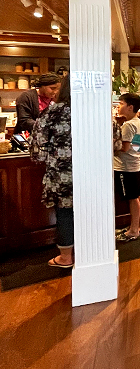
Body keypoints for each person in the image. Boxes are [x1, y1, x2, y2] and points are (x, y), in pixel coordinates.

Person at [29, 73, 73, 267]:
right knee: (91, 212)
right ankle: (91, 255)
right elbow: (114, 142)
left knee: (64, 213)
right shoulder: (96, 110)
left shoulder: (51, 113)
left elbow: (37, 151)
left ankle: (65, 257)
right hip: (93, 174)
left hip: (61, 175)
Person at [113, 92, 140, 241]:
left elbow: (124, 148)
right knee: (138, 195)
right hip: (135, 163)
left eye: (121, 104)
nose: (118, 107)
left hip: (124, 166)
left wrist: (111, 145)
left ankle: (133, 230)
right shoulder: (138, 121)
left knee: (132, 198)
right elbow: (136, 145)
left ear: (130, 107)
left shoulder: (128, 125)